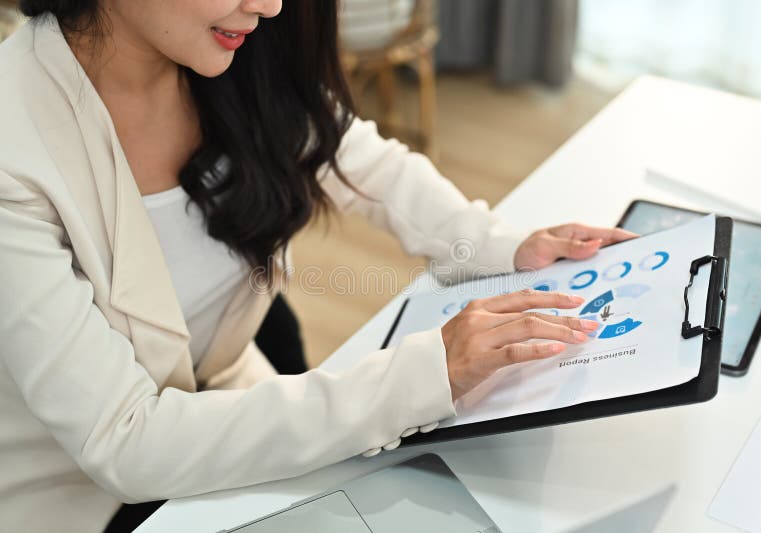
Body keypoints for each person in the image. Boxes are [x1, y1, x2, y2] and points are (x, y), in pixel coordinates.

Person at [0, 1, 636, 532]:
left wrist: (501, 246)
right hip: (78, 499)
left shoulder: (227, 54)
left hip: (224, 417)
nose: (271, 5)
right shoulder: (15, 148)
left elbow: (358, 159)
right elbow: (127, 442)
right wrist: (426, 371)